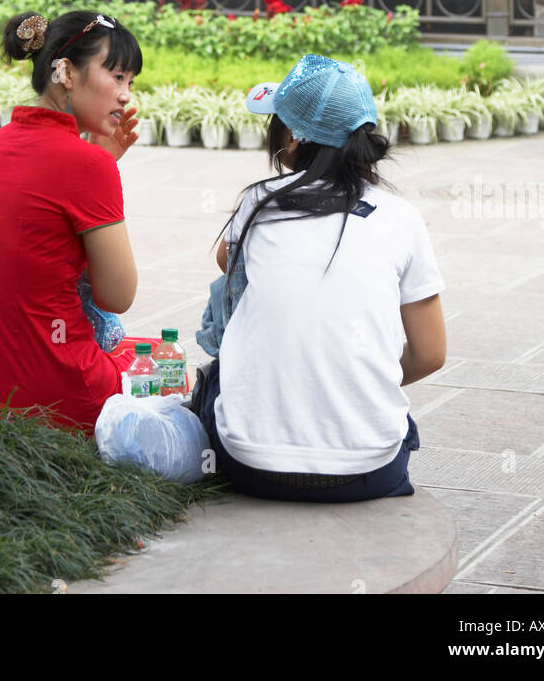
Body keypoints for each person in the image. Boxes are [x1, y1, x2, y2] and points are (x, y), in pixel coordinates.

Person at [188, 54, 447, 503]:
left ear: (289, 136)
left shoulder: (258, 203)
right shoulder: (403, 218)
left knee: (216, 362)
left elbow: (224, 263)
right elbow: (430, 354)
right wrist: (356, 378)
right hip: (370, 472)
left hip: (249, 466)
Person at [0, 9, 142, 433]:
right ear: (66, 72)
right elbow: (117, 296)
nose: (126, 95)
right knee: (164, 363)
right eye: (117, 76)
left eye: (130, 82)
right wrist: (102, 167)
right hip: (57, 392)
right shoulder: (88, 165)